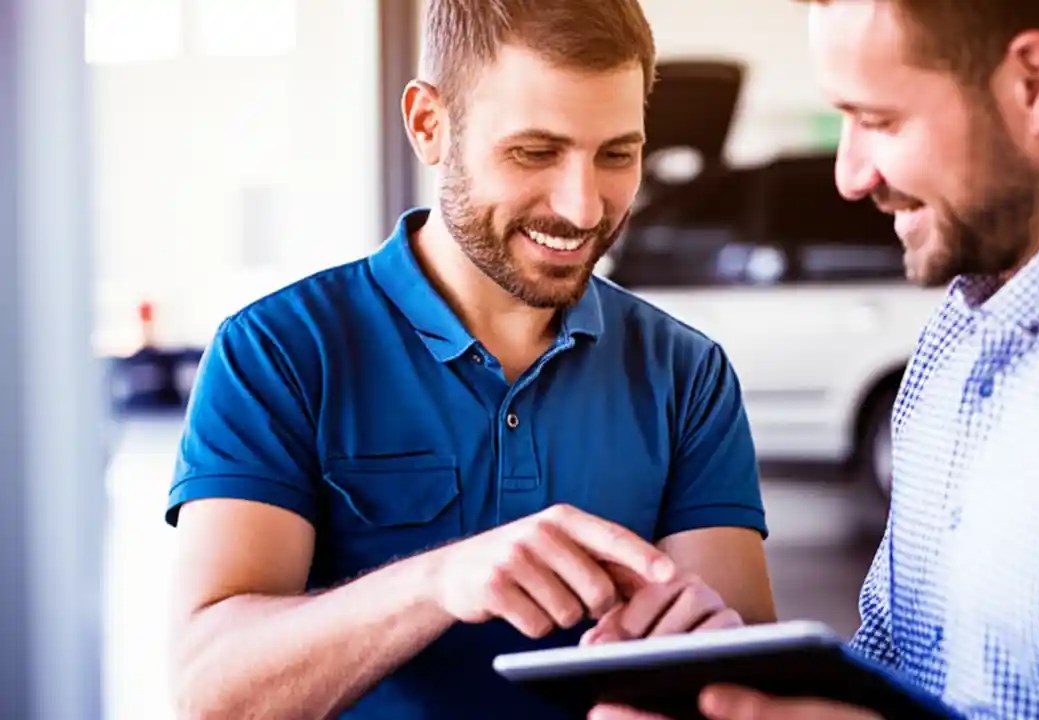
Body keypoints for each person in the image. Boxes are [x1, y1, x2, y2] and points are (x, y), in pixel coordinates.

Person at [594, 0, 1039, 718]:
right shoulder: (964, 321)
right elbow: (908, 674)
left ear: (1035, 85)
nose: (849, 176)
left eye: (879, 121)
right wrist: (737, 690)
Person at [164, 0, 778, 717]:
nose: (583, 209)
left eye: (617, 154)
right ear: (430, 125)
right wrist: (437, 582)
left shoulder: (686, 374)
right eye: (534, 152)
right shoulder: (278, 354)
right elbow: (209, 694)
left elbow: (743, 679)